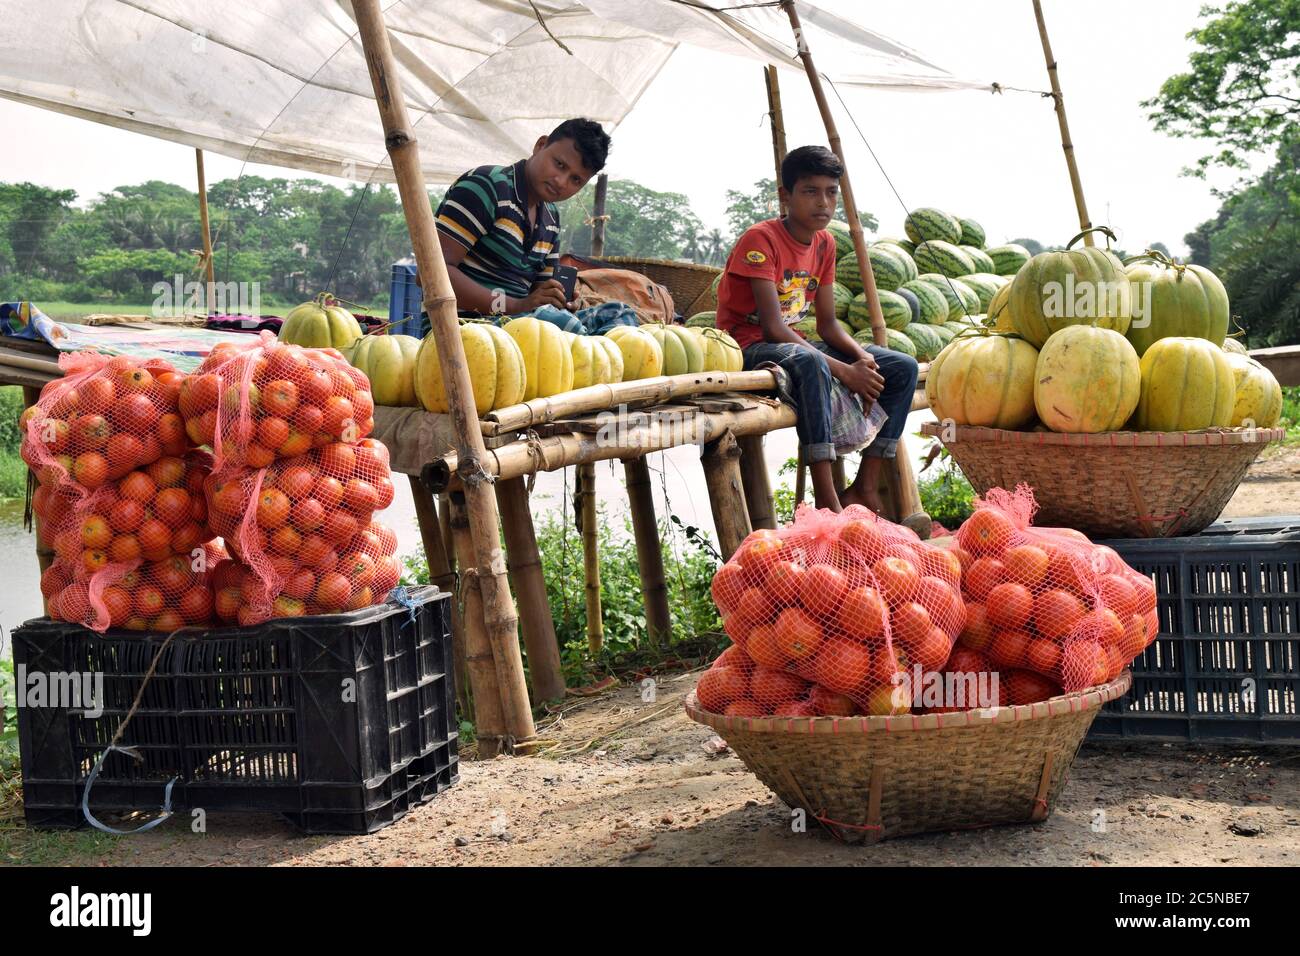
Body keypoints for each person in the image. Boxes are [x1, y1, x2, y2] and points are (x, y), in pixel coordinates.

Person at [716, 144, 920, 515]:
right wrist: (843, 371)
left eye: (831, 193)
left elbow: (827, 325)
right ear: (786, 196)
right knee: (813, 364)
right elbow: (774, 328)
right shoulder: (760, 240)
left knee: (901, 367)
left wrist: (862, 359)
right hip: (748, 347)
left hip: (793, 343)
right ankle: (827, 500)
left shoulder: (825, 243)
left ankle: (864, 486)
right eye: (810, 191)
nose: (823, 203)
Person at [435, 118, 615, 328]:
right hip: (462, 327)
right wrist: (515, 306)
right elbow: (433, 275)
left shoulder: (551, 219)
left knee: (617, 315)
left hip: (519, 325)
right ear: (540, 145)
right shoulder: (485, 186)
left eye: (576, 180)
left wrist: (558, 302)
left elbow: (539, 298)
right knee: (569, 328)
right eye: (559, 164)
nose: (561, 181)